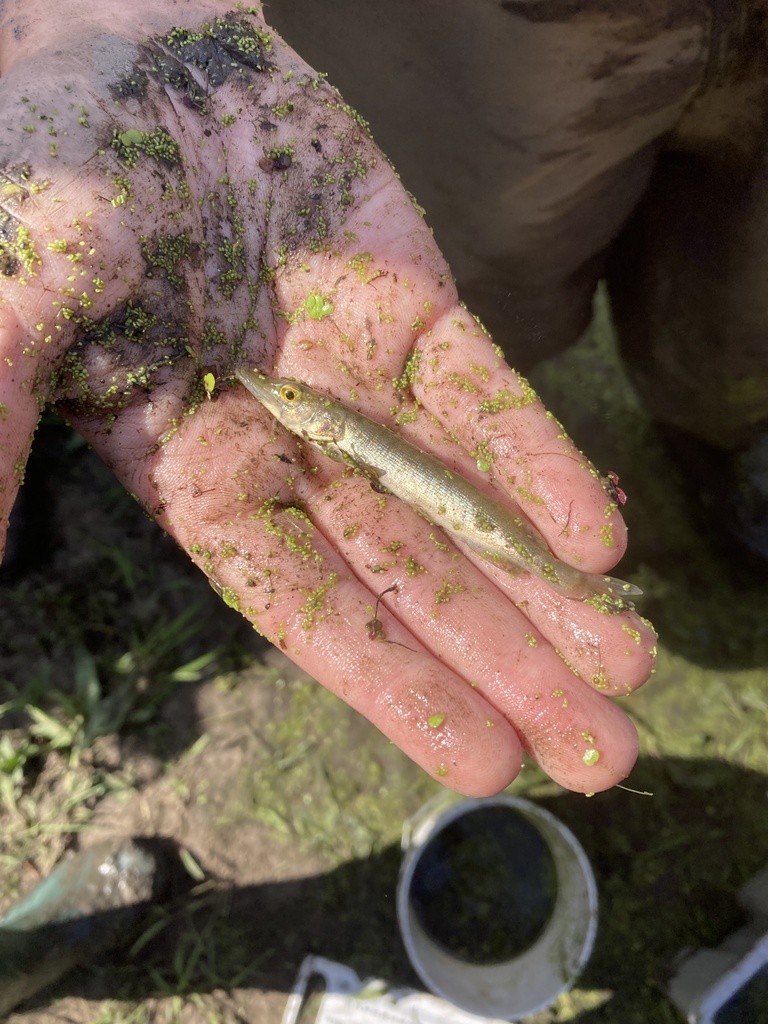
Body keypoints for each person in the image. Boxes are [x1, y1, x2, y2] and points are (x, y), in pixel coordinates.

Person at [0, 0, 657, 798]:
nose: (276, 401)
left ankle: (706, 448)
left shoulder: (317, 421)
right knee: (525, 259)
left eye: (282, 396)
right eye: (282, 398)